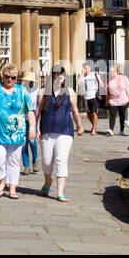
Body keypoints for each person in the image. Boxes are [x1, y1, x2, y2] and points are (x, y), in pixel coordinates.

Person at [0, 64, 36, 199]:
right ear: (2, 76)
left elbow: (30, 111)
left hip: (17, 133)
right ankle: (2, 179)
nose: (10, 80)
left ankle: (12, 188)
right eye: (7, 77)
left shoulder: (22, 91)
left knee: (14, 161)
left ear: (17, 78)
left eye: (13, 78)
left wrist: (32, 128)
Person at [38, 65, 84, 200]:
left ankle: (60, 192)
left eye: (62, 76)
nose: (59, 79)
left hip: (65, 131)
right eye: (56, 76)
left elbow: (75, 110)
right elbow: (38, 112)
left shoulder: (70, 92)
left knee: (61, 160)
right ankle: (48, 181)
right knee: (46, 161)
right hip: (47, 130)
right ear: (52, 77)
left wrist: (79, 126)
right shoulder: (43, 92)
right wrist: (36, 128)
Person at [21, 72, 42, 174]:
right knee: (23, 142)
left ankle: (35, 160)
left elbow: (38, 107)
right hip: (22, 118)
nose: (28, 83)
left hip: (33, 118)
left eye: (30, 81)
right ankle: (26, 165)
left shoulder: (37, 91)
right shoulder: (21, 91)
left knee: (32, 142)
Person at [105, 64, 129, 136]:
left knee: (122, 116)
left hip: (123, 100)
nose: (111, 73)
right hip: (113, 100)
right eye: (110, 71)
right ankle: (111, 130)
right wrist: (106, 100)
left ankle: (121, 131)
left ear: (117, 71)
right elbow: (107, 91)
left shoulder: (124, 78)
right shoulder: (109, 80)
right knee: (112, 115)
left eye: (112, 71)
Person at [80, 63, 101, 134]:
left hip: (94, 96)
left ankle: (94, 129)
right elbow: (78, 83)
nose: (86, 69)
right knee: (89, 114)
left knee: (94, 113)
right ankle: (94, 125)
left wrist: (100, 92)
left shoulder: (95, 75)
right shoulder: (83, 76)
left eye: (87, 68)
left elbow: (102, 84)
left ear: (90, 68)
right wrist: (82, 74)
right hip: (86, 97)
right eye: (84, 68)